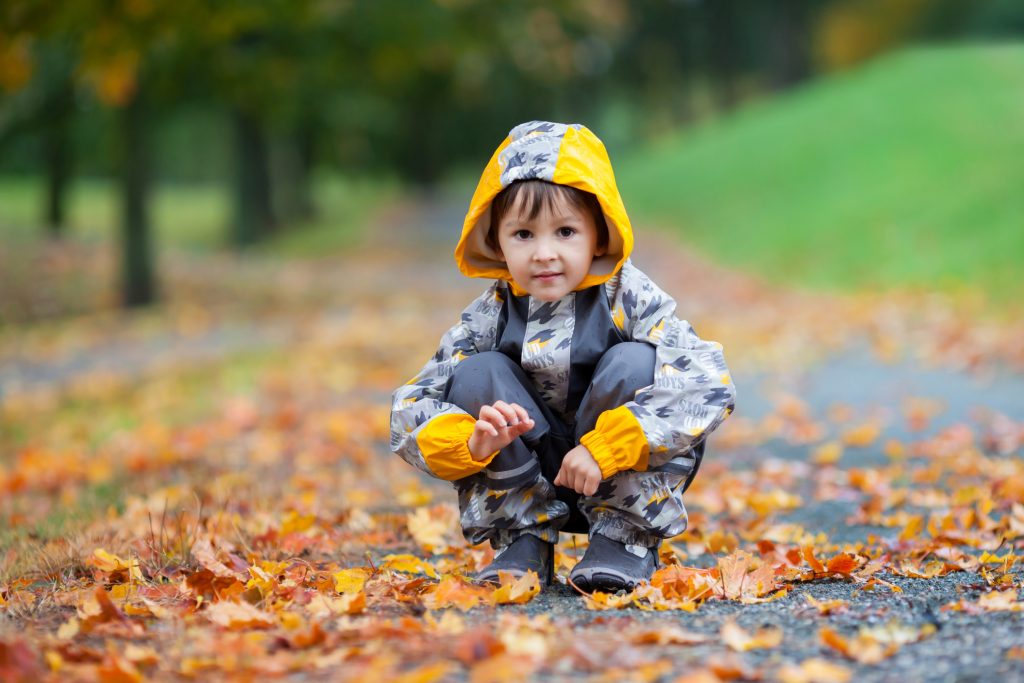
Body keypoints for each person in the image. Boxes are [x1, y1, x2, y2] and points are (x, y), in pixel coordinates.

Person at [390, 121, 735, 592]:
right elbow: (410, 405)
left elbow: (709, 382)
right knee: (476, 374)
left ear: (598, 234)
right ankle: (522, 538)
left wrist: (609, 445)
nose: (545, 254)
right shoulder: (492, 313)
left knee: (636, 361)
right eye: (524, 235)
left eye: (566, 231)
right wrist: (469, 442)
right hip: (532, 472)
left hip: (614, 466)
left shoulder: (625, 296)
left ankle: (622, 538)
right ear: (496, 241)